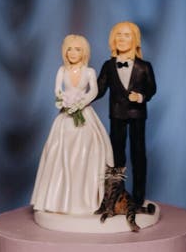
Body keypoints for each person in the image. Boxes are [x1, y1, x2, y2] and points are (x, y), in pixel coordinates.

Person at [31, 34, 113, 214]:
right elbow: (57, 89)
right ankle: (59, 200)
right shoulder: (62, 70)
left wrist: (81, 103)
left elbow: (94, 91)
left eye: (77, 49)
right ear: (64, 52)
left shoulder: (89, 72)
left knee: (87, 150)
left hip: (84, 114)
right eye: (70, 49)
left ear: (84, 52)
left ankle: (86, 197)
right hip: (66, 117)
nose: (73, 53)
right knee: (59, 151)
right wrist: (64, 101)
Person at [96, 21, 156, 207]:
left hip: (137, 114)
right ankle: (117, 195)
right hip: (117, 115)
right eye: (118, 35)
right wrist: (80, 97)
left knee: (138, 155)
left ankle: (138, 198)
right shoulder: (108, 66)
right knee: (116, 155)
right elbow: (99, 89)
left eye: (126, 35)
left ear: (135, 40)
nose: (122, 38)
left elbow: (152, 89)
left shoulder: (144, 66)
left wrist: (140, 97)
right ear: (113, 39)